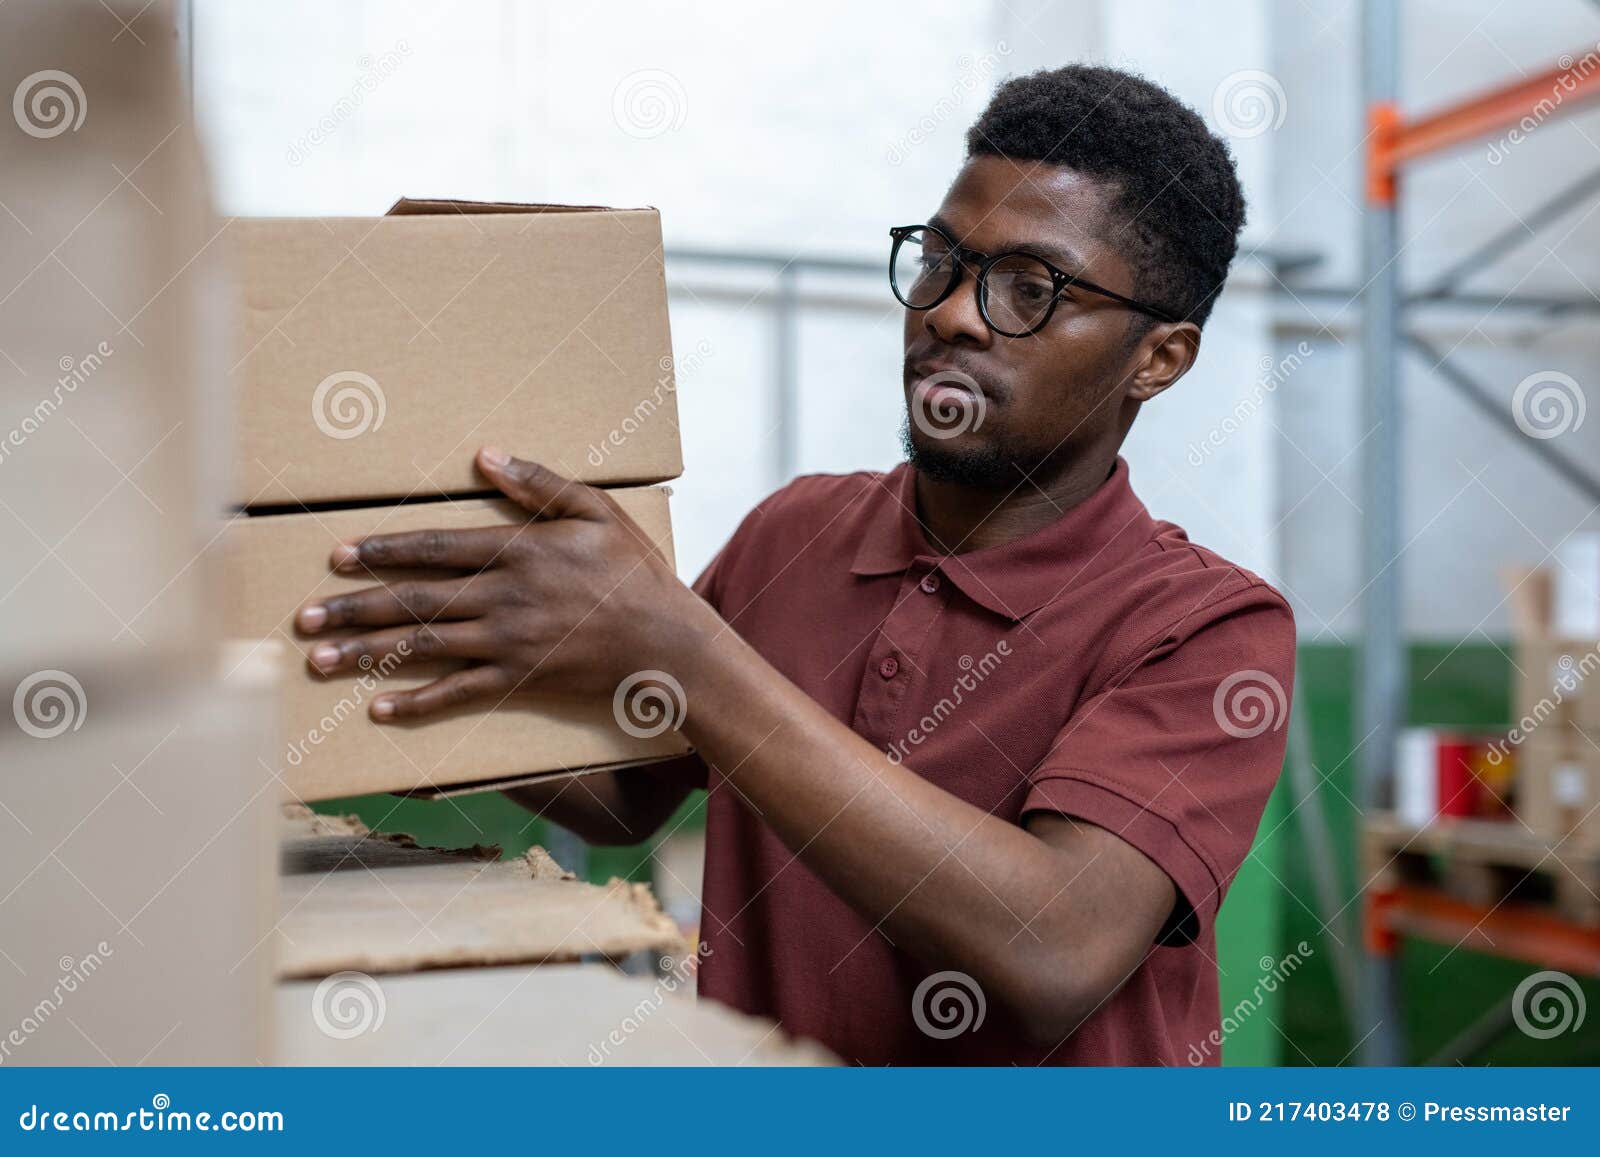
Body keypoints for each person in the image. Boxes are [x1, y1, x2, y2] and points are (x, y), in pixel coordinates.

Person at [292, 64, 1295, 1065]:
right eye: (940, 259)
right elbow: (624, 792)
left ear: (1158, 358)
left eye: (1029, 288)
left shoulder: (1205, 625)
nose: (951, 312)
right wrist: (385, 643)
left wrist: (682, 652)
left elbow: (1053, 949)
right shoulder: (798, 529)